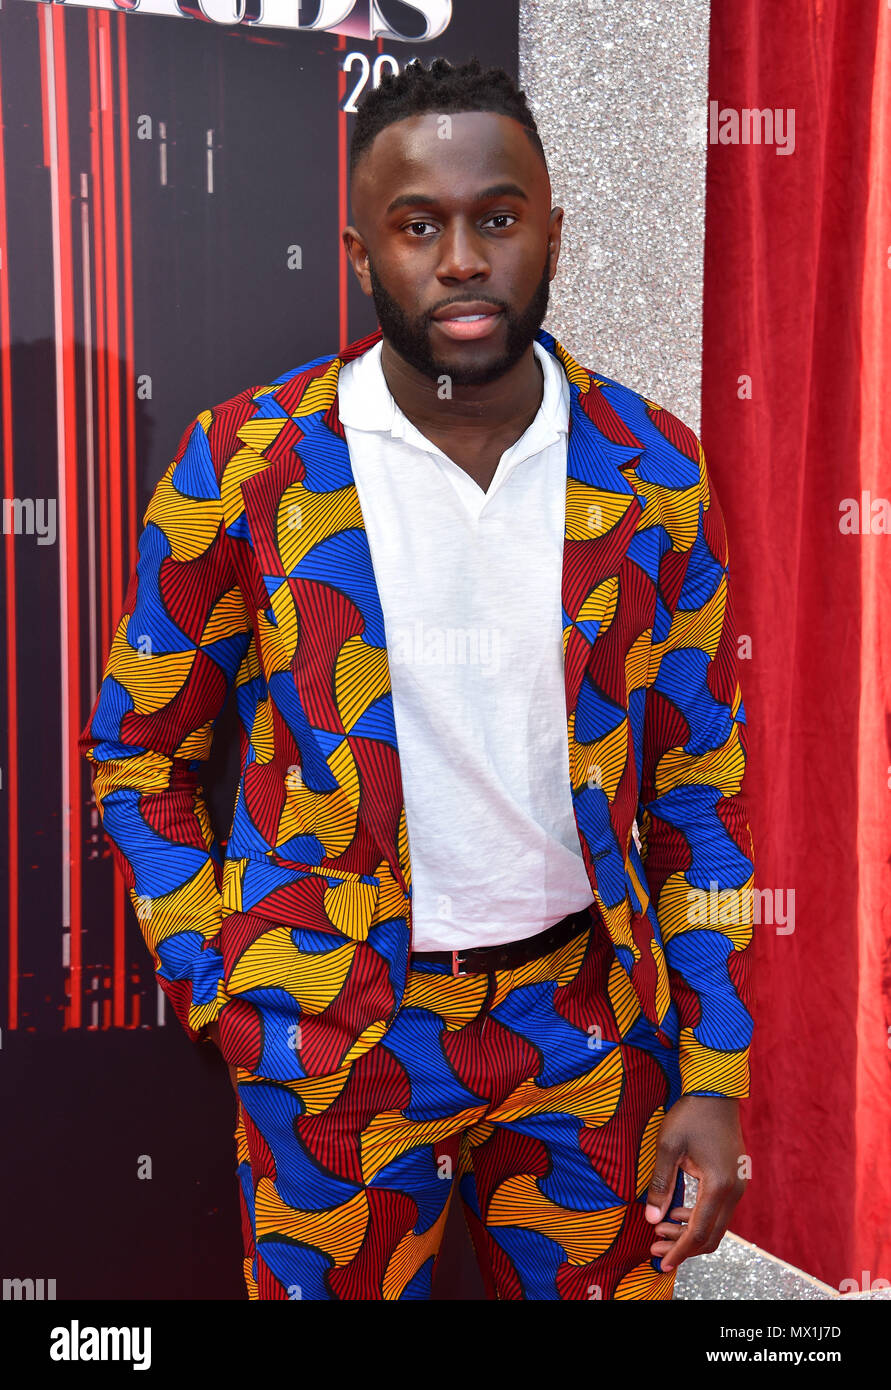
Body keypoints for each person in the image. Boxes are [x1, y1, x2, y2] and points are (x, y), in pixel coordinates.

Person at [79, 55, 755, 1301]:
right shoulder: (248, 463)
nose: (459, 260)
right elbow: (140, 755)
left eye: (495, 218)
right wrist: (219, 983)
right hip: (335, 1038)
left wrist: (713, 1073)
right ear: (356, 249)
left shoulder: (653, 468)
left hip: (587, 1030)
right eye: (417, 224)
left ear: (551, 231)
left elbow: (700, 790)